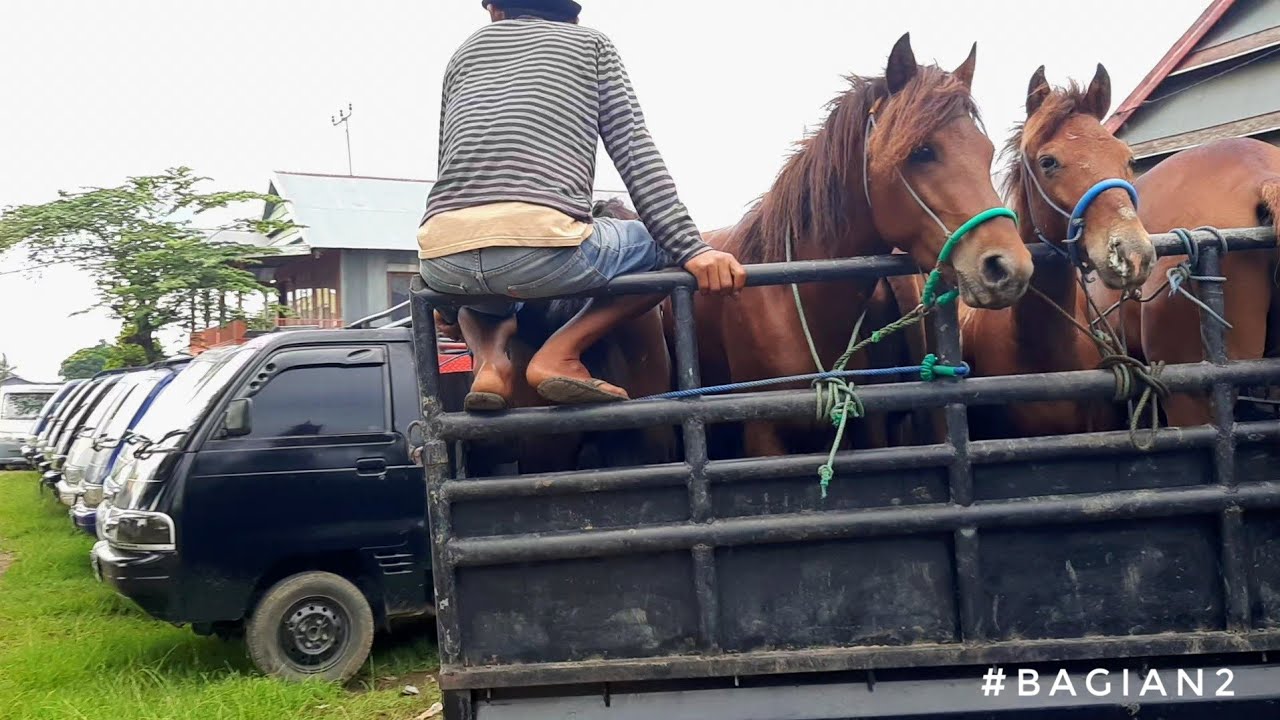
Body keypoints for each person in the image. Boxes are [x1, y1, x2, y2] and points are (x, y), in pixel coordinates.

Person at [419, 0, 745, 411]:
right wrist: (693, 248)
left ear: (497, 11)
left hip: (442, 257)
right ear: (571, 15)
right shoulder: (591, 45)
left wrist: (446, 301)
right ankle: (560, 354)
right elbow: (634, 151)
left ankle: (489, 364)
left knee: (483, 281)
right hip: (543, 250)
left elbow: (450, 165)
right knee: (666, 249)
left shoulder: (464, 52)